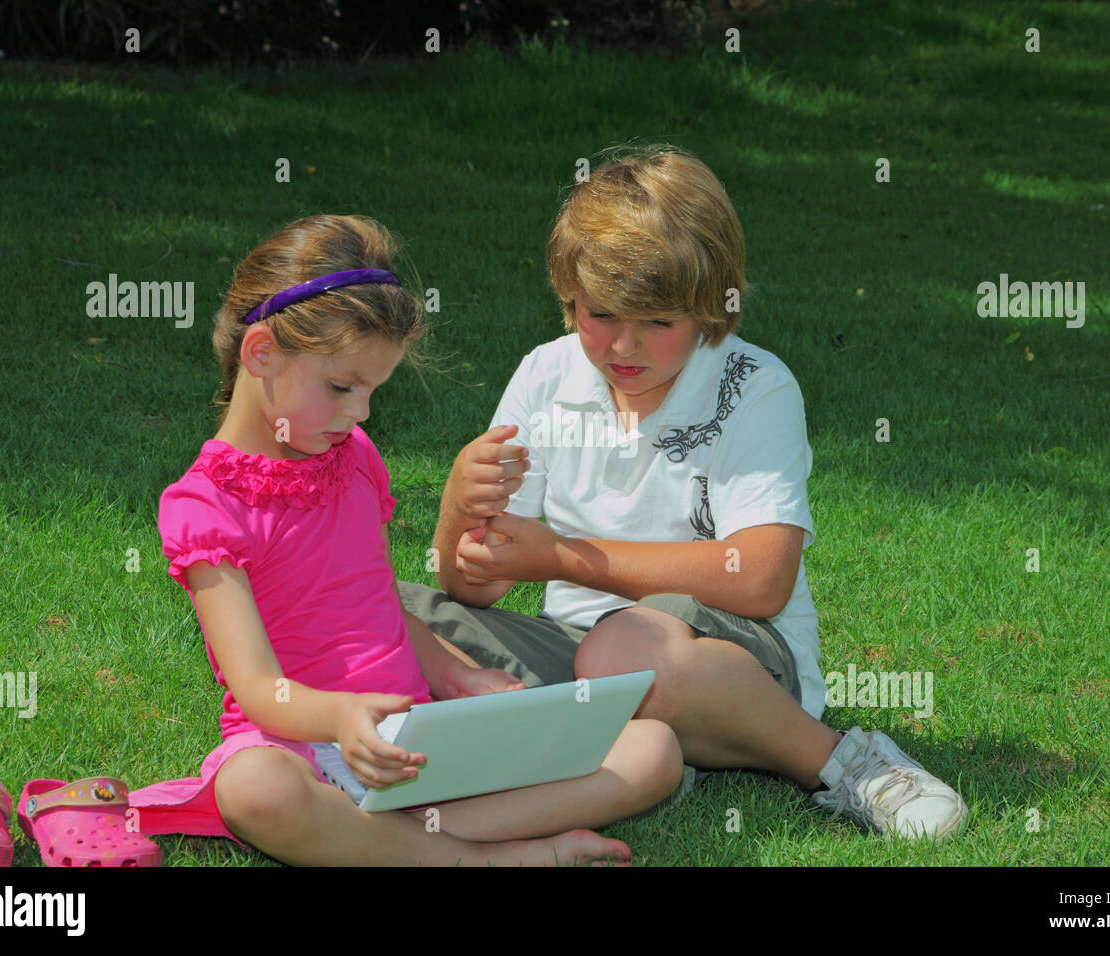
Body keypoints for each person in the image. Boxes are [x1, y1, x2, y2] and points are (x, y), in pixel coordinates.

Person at [399, 145, 969, 841]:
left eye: (660, 322)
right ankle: (615, 748)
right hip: (571, 650)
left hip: (728, 654)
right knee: (379, 603)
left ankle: (844, 763)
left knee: (623, 649)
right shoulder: (544, 377)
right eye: (601, 315)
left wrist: (560, 558)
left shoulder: (753, 386)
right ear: (568, 297)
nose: (623, 346)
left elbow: (760, 580)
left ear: (709, 309)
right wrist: (459, 505)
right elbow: (476, 584)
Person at [128, 214, 685, 866]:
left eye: (372, 390)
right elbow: (256, 687)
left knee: (654, 750)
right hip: (299, 745)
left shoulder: (353, 456)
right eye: (342, 387)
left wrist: (456, 673)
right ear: (261, 353)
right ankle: (492, 858)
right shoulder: (204, 506)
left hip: (412, 744)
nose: (360, 413)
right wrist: (339, 720)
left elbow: (376, 604)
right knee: (254, 791)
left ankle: (403, 841)